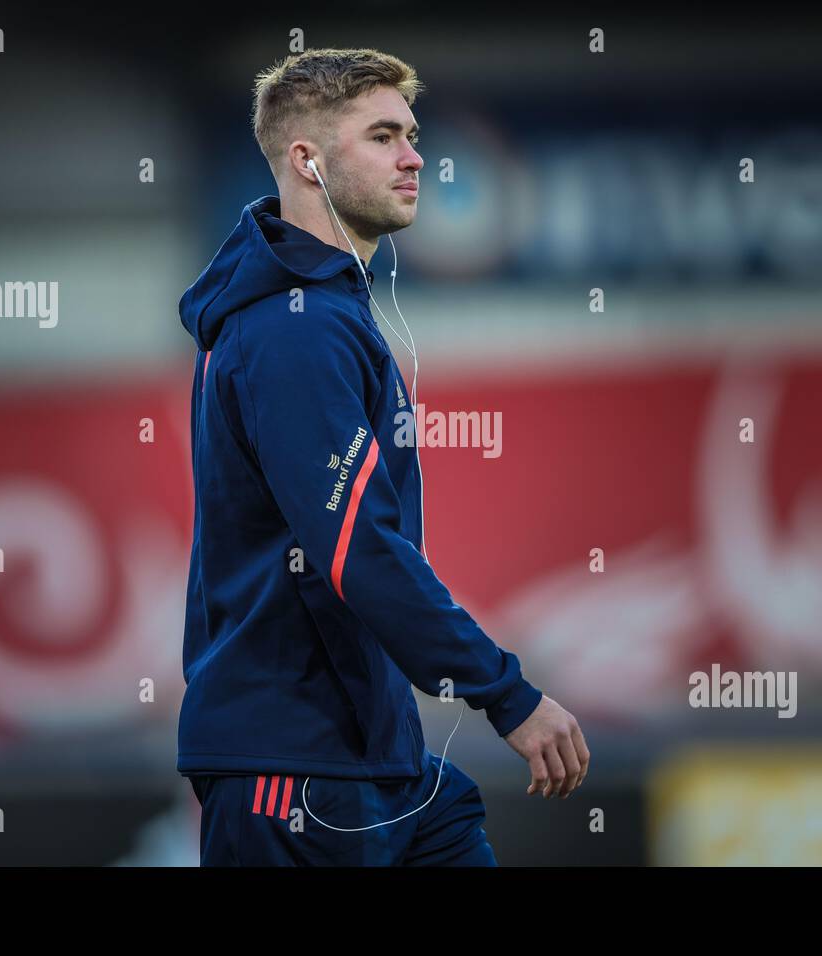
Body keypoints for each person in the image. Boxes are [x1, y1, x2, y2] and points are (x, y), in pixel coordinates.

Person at [177, 47, 589, 866]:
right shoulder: (293, 331)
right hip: (292, 768)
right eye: (383, 136)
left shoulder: (322, 314)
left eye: (411, 133)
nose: (415, 156)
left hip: (376, 760)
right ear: (307, 159)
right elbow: (354, 548)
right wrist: (505, 693)